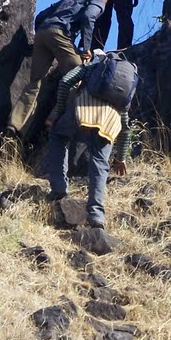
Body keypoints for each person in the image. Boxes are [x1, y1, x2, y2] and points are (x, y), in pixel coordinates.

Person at [7, 0, 116, 138]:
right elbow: (88, 17)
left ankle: (14, 125)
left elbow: (41, 15)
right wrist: (86, 49)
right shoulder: (98, 0)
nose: (106, 0)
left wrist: (44, 36)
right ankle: (53, 121)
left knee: (35, 83)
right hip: (60, 34)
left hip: (43, 32)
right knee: (77, 76)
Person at [44, 54, 134, 228]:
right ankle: (96, 215)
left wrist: (59, 112)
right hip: (110, 120)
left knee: (58, 136)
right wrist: (121, 158)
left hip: (84, 109)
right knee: (100, 162)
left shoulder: (94, 66)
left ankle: (59, 189)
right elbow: (126, 125)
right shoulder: (123, 87)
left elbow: (65, 82)